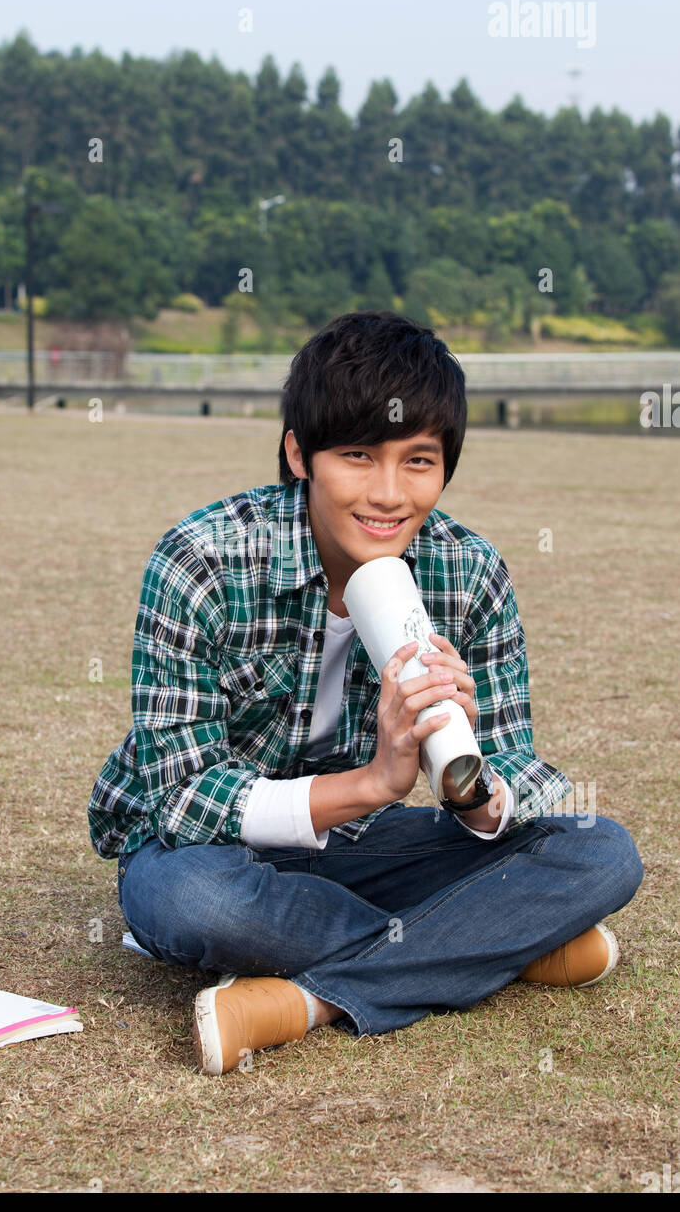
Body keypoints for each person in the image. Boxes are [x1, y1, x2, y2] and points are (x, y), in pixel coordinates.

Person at [87, 311, 644, 1076]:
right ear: (299, 453)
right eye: (357, 456)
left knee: (601, 852)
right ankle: (503, 948)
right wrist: (376, 782)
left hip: (357, 853)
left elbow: (517, 778)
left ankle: (308, 1000)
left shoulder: (469, 571)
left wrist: (470, 781)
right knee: (186, 899)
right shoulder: (204, 560)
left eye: (418, 461)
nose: (389, 495)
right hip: (215, 851)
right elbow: (182, 799)